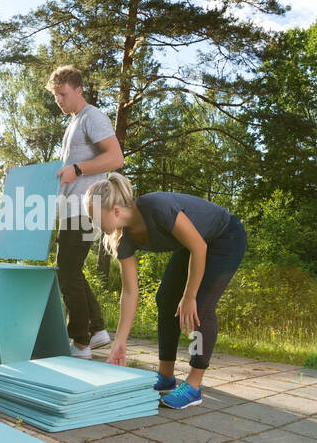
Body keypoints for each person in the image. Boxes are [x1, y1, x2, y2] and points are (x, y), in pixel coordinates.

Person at [86, 173, 248, 409]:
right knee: (166, 299)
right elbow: (130, 292)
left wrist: (190, 296)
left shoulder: (156, 207)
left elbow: (199, 247)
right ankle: (166, 376)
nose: (93, 223)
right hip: (194, 244)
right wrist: (120, 342)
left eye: (94, 216)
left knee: (200, 305)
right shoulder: (124, 241)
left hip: (225, 236)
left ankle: (193, 385)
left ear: (116, 210)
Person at [46, 65, 124, 358]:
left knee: (65, 272)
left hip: (85, 208)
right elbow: (66, 171)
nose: (59, 101)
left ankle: (80, 343)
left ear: (79, 90)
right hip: (71, 209)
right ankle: (97, 330)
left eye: (63, 94)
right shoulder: (74, 123)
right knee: (72, 271)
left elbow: (116, 158)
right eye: (56, 96)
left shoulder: (93, 117)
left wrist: (77, 169)